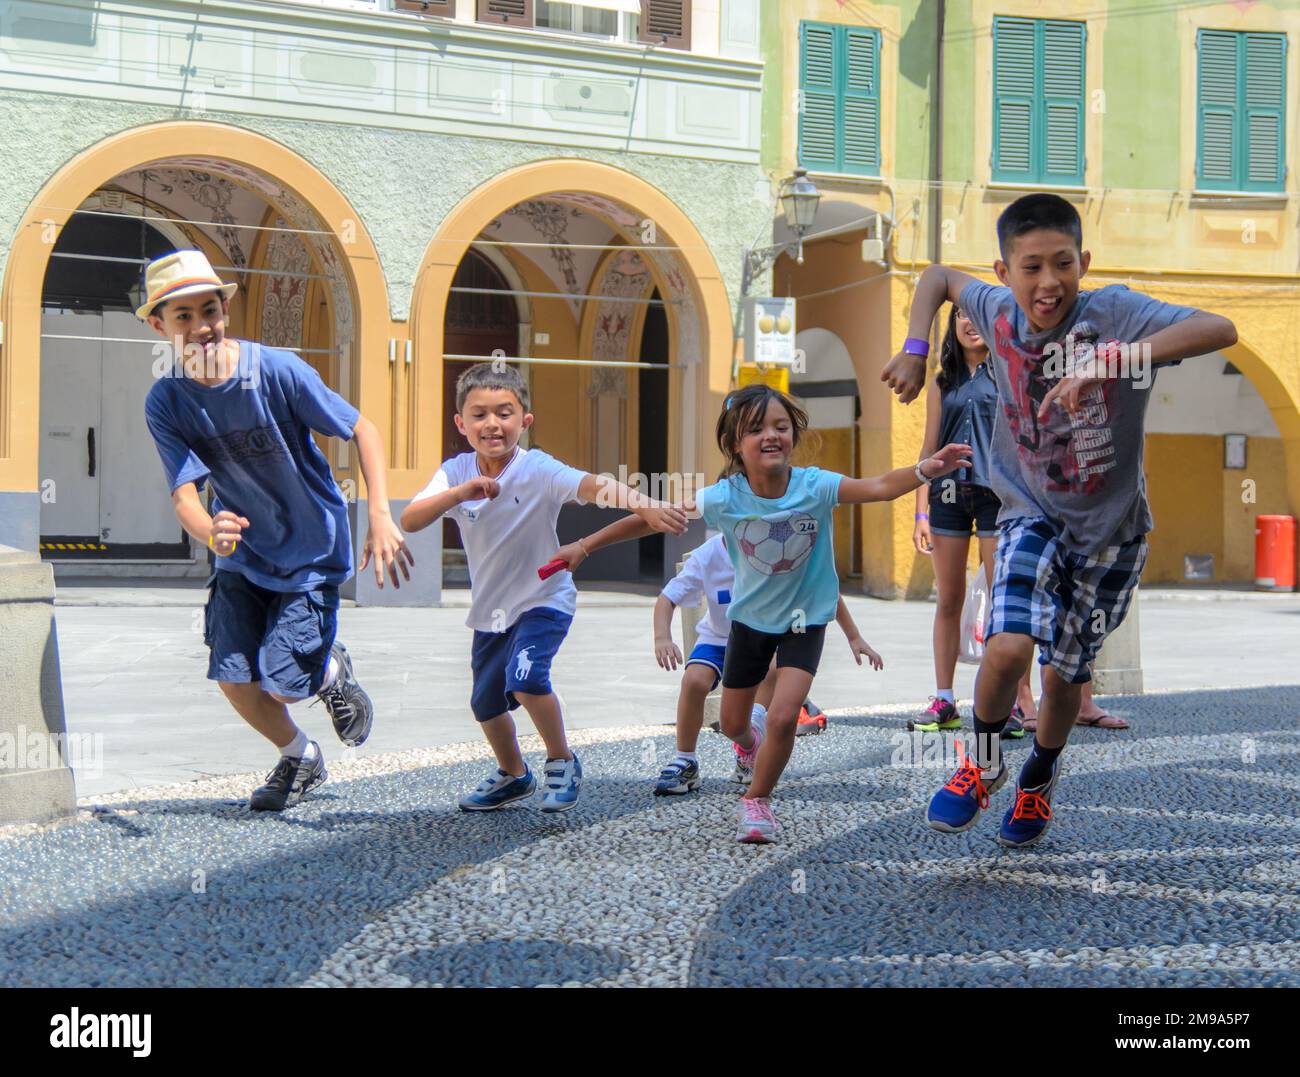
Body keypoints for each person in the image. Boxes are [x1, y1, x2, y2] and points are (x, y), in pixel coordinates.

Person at [881, 193, 1236, 847]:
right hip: (1029, 510)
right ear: (1004, 271)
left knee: (1066, 673)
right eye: (1032, 267)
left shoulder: (1116, 312)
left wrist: (1113, 359)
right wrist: (914, 347)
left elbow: (1220, 328)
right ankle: (984, 763)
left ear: (1084, 261)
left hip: (1111, 533)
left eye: (1063, 264)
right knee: (1007, 646)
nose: (1049, 282)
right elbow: (936, 277)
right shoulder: (994, 310)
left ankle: (1039, 776)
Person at [139, 250, 412, 811]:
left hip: (311, 548)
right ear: (159, 327)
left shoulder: (277, 370)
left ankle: (329, 668)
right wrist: (210, 531)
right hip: (242, 556)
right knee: (235, 677)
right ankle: (299, 756)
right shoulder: (166, 401)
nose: (201, 326)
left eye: (209, 310)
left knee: (284, 682)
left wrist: (380, 515)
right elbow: (185, 496)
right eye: (183, 316)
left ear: (225, 311)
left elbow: (363, 429)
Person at [399, 362, 685, 814]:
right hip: (492, 611)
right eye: (479, 414)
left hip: (545, 598)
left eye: (504, 413)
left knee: (527, 679)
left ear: (525, 421)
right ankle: (514, 774)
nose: (492, 424)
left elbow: (593, 485)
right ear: (461, 423)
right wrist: (458, 494)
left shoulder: (537, 468)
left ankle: (561, 760)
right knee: (485, 704)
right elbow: (411, 519)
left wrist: (644, 503)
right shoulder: (455, 472)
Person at [552, 521, 881, 795]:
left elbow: (826, 587)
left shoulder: (778, 552)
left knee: (763, 684)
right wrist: (662, 637)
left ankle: (749, 746)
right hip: (718, 639)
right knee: (694, 680)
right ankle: (685, 759)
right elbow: (667, 598)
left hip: (763, 639)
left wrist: (854, 636)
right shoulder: (707, 556)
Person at [911, 304, 1030, 738]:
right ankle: (945, 700)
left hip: (998, 496)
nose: (969, 322)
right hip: (947, 495)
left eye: (976, 315)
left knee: (1005, 602)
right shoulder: (942, 381)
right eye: (961, 314)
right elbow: (928, 447)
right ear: (953, 324)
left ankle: (1014, 704)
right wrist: (920, 512)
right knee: (949, 598)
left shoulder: (1009, 374)